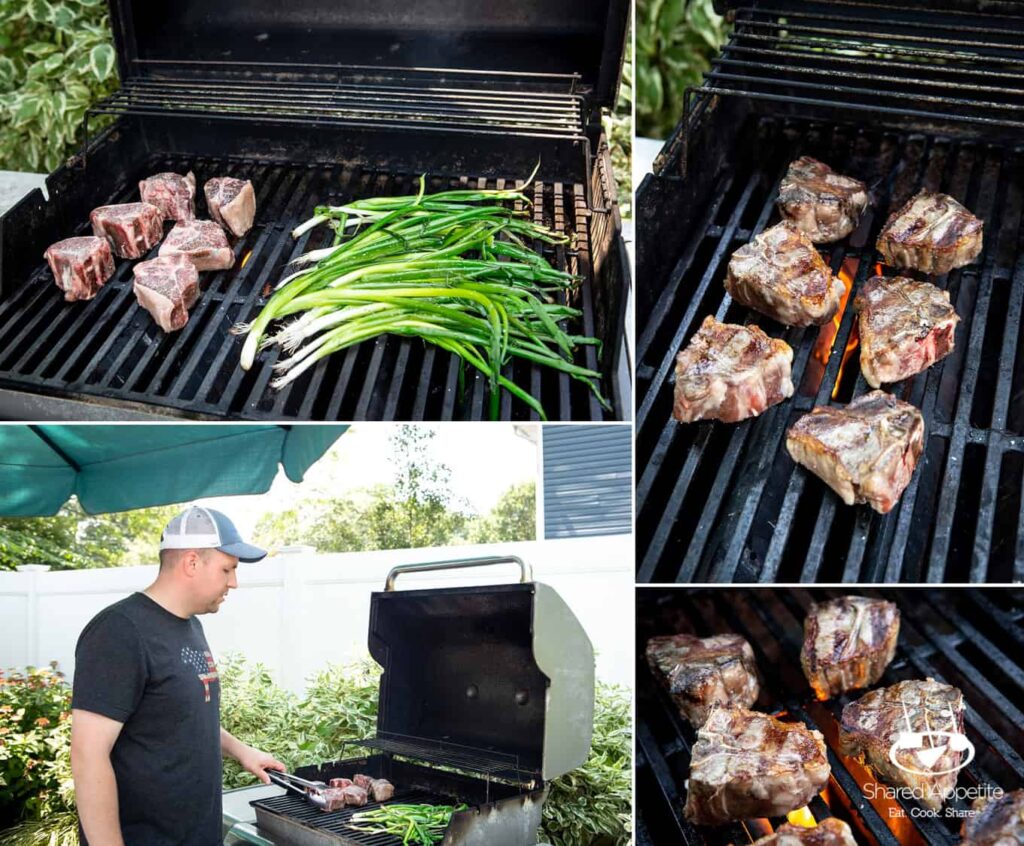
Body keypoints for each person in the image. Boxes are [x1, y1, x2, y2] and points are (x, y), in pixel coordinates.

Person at [70, 506, 287, 846]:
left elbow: (180, 715)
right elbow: (88, 756)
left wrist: (243, 752)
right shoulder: (119, 631)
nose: (234, 582)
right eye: (227, 569)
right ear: (191, 562)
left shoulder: (190, 625)